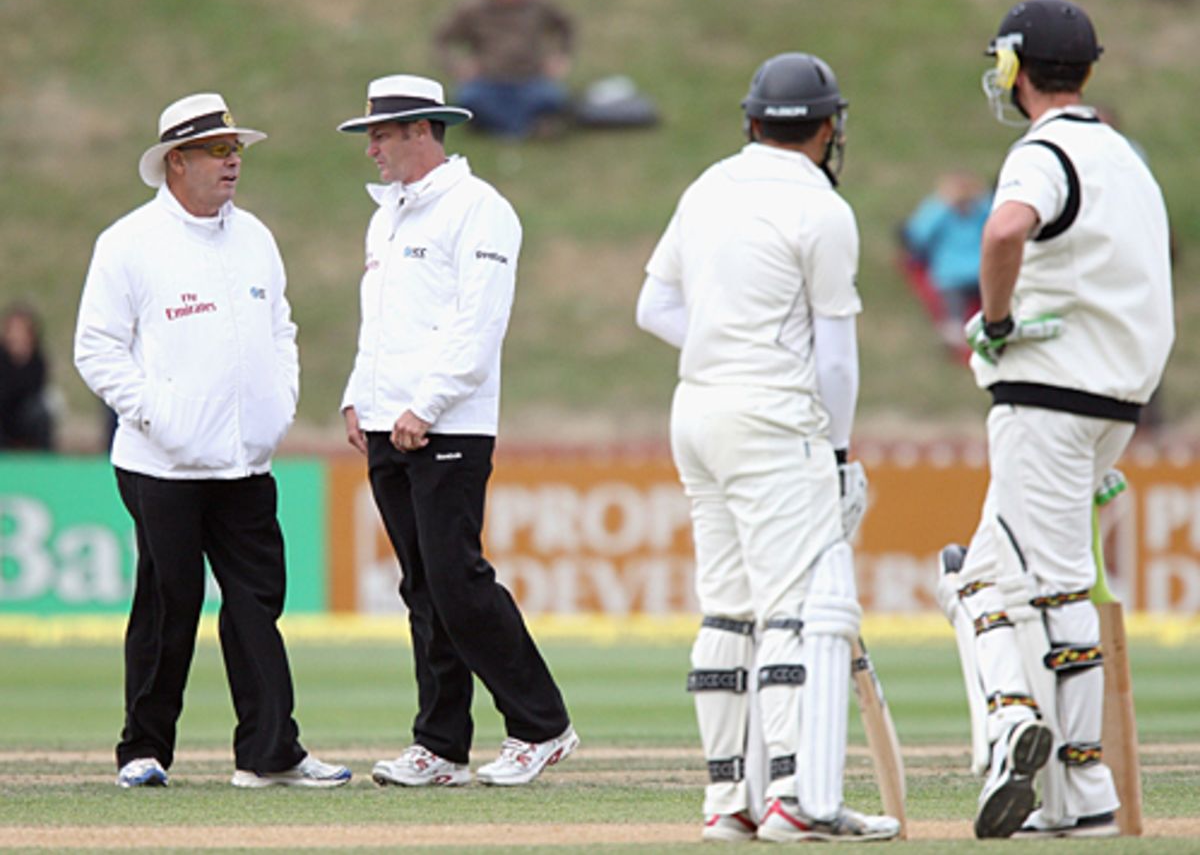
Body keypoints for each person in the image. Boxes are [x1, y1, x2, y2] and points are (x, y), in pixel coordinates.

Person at [636, 52, 900, 844]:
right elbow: (839, 358)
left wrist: (722, 347)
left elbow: (655, 306)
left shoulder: (707, 184)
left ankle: (729, 804)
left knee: (728, 603)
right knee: (791, 607)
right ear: (825, 128)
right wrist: (841, 451)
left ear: (752, 121)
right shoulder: (821, 207)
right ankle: (793, 796)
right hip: (772, 419)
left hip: (697, 410)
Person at [937, 0, 1173, 839]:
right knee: (977, 577)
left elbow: (1005, 230)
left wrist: (996, 320)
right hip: (1118, 397)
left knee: (1057, 580)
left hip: (1048, 393)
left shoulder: (1045, 150)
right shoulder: (1125, 157)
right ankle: (1027, 740)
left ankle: (1072, 767)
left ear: (1014, 68)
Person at [74, 92, 351, 791]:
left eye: (236, 151)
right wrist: (158, 415)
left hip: (245, 461)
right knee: (171, 599)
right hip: (161, 463)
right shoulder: (129, 242)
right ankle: (143, 747)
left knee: (259, 599)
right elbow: (96, 350)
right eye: (217, 152)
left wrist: (277, 405)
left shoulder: (254, 235)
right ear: (177, 162)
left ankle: (269, 752)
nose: (232, 163)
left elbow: (281, 328)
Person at [337, 74, 577, 788]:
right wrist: (359, 396)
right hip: (387, 424)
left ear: (421, 131)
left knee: (457, 580)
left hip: (446, 424)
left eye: (380, 134)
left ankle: (541, 724)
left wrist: (427, 404)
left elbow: (479, 322)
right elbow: (380, 323)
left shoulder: (480, 209)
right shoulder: (385, 218)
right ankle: (440, 743)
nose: (371, 148)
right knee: (421, 587)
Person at [435, 0, 574, 138]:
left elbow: (566, 26)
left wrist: (561, 57)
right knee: (469, 98)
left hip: (530, 79)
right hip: (490, 81)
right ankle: (509, 127)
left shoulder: (539, 4)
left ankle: (526, 126)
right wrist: (457, 66)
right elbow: (442, 39)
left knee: (553, 97)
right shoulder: (473, 8)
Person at [900, 171, 990, 355]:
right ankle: (957, 336)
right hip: (960, 274)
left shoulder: (981, 210)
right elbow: (918, 234)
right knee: (955, 306)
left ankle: (968, 333)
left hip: (968, 272)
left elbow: (917, 236)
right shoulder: (941, 212)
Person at [0, 302, 55, 450]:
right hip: (4, 411)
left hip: (26, 412)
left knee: (42, 411)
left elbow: (36, 388)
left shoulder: (37, 360)